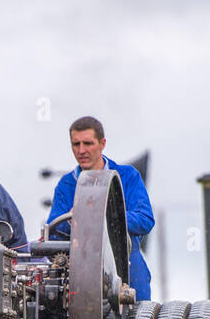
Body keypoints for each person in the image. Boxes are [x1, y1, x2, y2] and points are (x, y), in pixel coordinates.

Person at [47, 116, 156, 300]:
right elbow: (54, 231)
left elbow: (145, 219)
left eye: (88, 143)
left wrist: (104, 216)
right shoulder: (66, 185)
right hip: (81, 281)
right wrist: (73, 219)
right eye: (76, 144)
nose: (81, 150)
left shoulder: (128, 176)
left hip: (130, 274)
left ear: (102, 143)